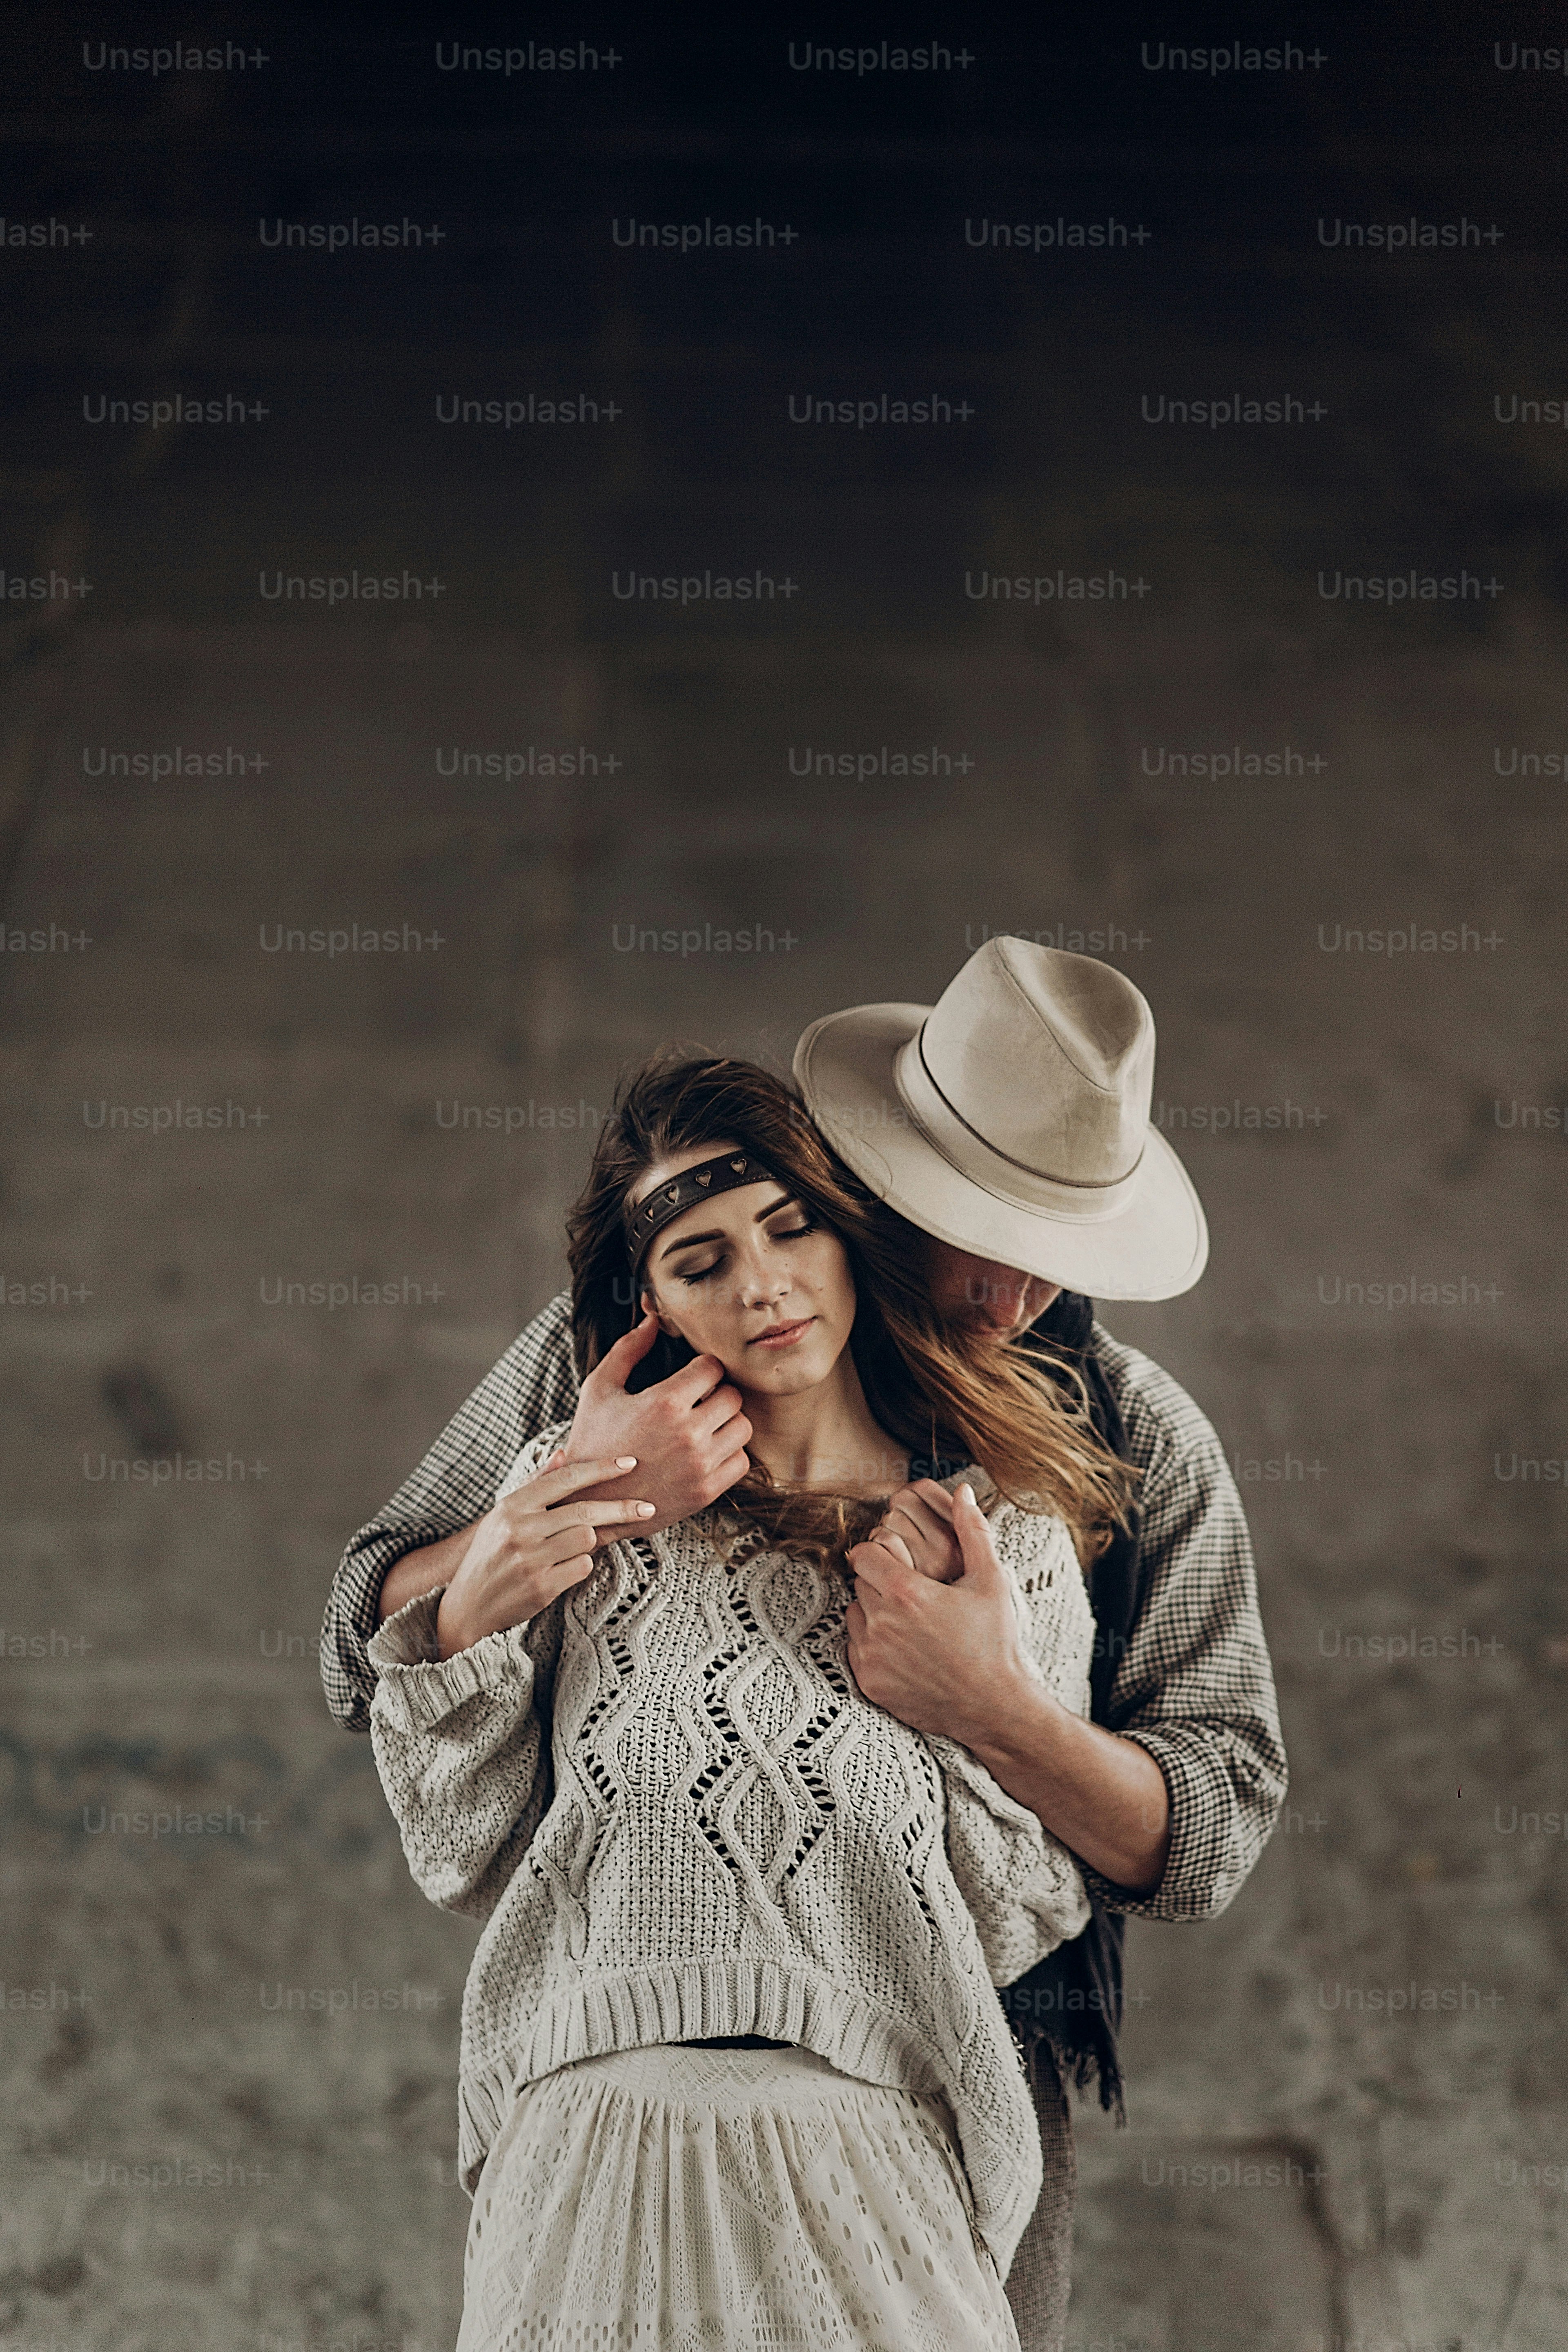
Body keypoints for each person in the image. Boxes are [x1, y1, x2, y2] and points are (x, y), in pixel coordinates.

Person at [321, 937, 1288, 2352]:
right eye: (984, 1227)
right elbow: (364, 1643)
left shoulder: (1121, 1432)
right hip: (613, 2068)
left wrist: (994, 1711)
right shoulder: (639, 1331)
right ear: (878, 1179)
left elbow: (1206, 1838)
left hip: (964, 2050)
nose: (1021, 1300)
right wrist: (580, 1507)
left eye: (1060, 1257)